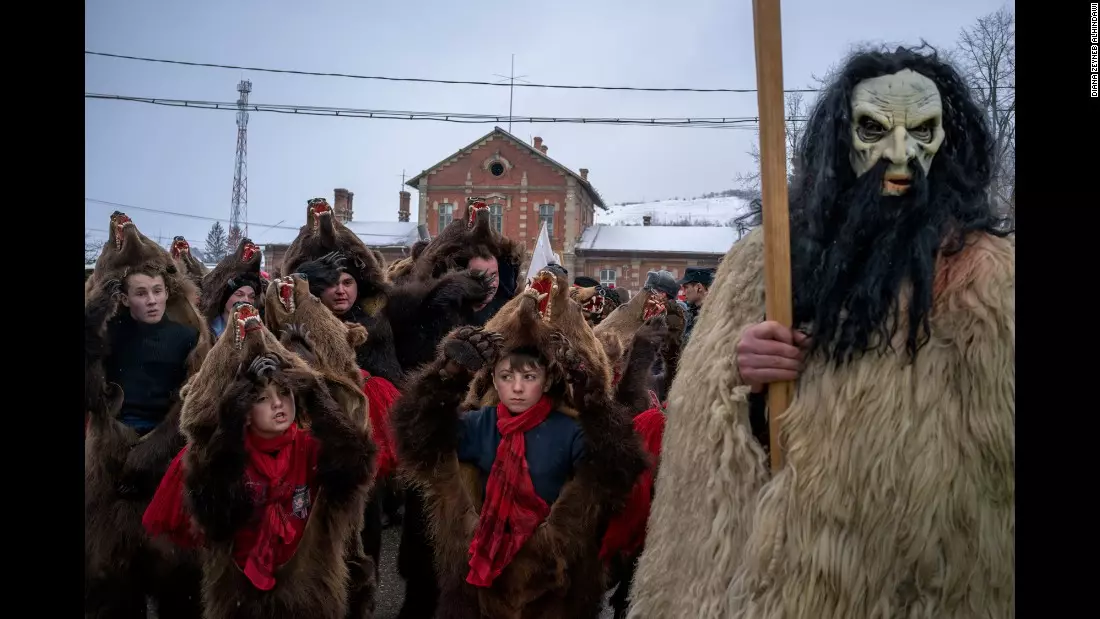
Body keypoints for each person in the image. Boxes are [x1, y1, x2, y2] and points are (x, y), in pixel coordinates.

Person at [628, 45, 1014, 619]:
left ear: (950, 142)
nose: (900, 152)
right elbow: (709, 459)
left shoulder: (989, 278)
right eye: (874, 129)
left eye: (923, 131)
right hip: (776, 584)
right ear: (842, 141)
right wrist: (742, 380)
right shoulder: (764, 265)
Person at [391, 269, 645, 619]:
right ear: (492, 376)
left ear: (547, 378)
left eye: (529, 377)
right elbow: (421, 446)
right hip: (478, 581)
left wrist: (596, 407)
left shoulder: (569, 429)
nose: (518, 387)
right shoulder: (479, 424)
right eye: (507, 376)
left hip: (555, 586)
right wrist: (443, 380)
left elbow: (616, 475)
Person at [143, 303, 375, 619]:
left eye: (285, 393)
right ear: (243, 409)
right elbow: (216, 515)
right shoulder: (221, 454)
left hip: (311, 590)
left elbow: (356, 468)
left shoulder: (311, 447)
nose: (278, 404)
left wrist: (318, 396)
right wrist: (229, 423)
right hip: (238, 596)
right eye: (262, 399)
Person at [106, 268, 200, 436]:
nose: (152, 301)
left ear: (167, 293)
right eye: (141, 294)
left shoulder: (188, 336)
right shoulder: (108, 334)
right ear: (125, 299)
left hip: (169, 430)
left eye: (157, 291)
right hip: (117, 428)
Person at [676, 267, 714, 345]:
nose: (683, 293)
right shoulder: (692, 313)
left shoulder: (713, 316)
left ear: (699, 288)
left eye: (686, 287)